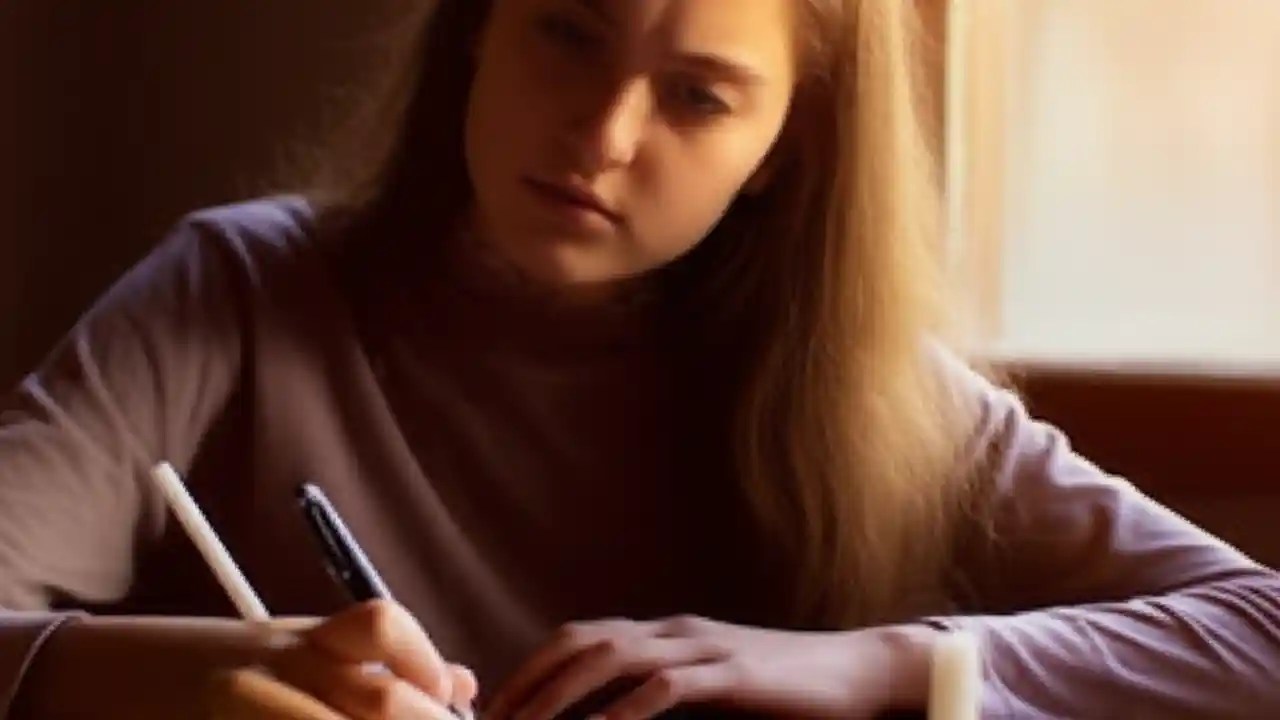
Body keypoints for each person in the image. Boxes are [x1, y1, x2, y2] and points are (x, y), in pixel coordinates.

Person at [1, 0, 1277, 718]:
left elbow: (1258, 630)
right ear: (476, 35)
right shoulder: (234, 290)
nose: (603, 135)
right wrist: (231, 673)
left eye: (698, 98)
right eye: (567, 31)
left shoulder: (864, 390)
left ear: (779, 148)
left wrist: (877, 663)